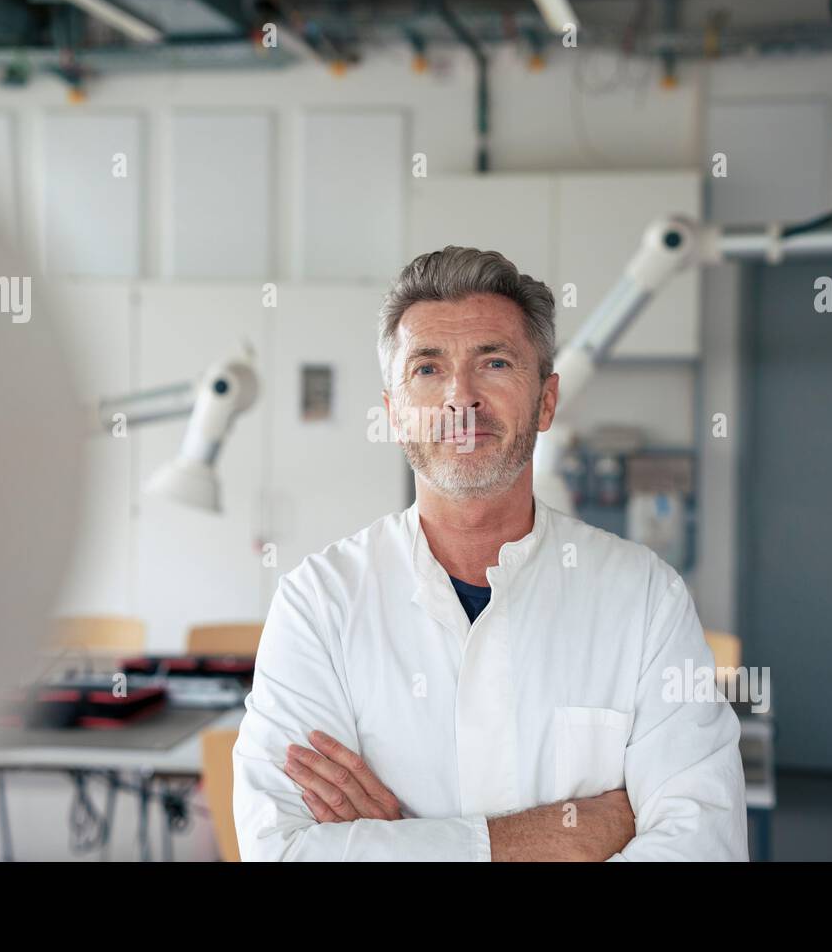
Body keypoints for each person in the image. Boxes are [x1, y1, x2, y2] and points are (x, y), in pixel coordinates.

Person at [232, 246, 748, 860]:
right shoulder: (319, 602)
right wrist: (556, 836)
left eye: (495, 362)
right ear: (394, 414)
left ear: (546, 401)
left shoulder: (645, 598)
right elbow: (281, 851)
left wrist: (397, 843)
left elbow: (703, 845)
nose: (461, 398)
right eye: (427, 369)